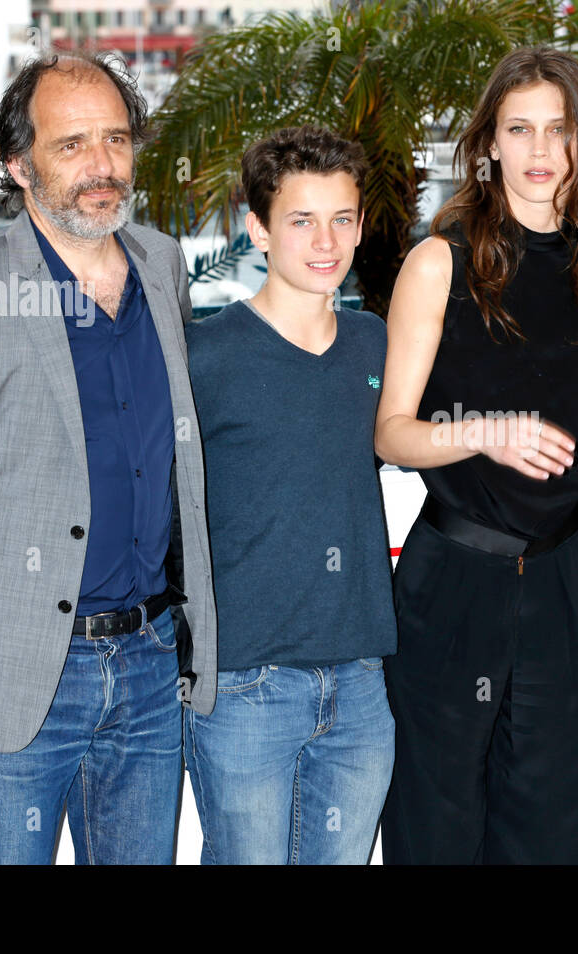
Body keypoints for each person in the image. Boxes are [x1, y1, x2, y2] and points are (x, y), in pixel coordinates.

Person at [0, 51, 216, 864]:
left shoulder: (162, 265)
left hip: (148, 662)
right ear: (18, 164)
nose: (102, 167)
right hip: (15, 671)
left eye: (115, 140)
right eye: (71, 146)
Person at [375, 45, 578, 864]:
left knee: (546, 828)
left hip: (560, 582)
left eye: (558, 130)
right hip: (453, 576)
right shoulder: (437, 263)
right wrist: (486, 431)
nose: (540, 151)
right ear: (489, 144)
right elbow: (391, 432)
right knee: (435, 824)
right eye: (519, 130)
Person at [181, 126, 396, 864]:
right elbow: (128, 470)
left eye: (342, 218)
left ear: (363, 224)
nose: (325, 240)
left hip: (363, 680)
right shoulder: (203, 355)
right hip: (245, 684)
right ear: (258, 228)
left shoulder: (374, 343)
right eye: (301, 219)